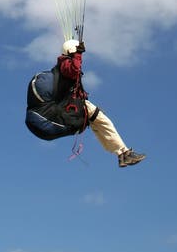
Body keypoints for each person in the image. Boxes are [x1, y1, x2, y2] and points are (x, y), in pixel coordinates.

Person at [26, 38, 146, 168]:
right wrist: (78, 54)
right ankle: (123, 153)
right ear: (71, 51)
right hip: (64, 111)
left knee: (100, 121)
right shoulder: (65, 64)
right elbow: (73, 70)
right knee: (102, 121)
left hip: (67, 107)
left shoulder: (63, 65)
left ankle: (122, 153)